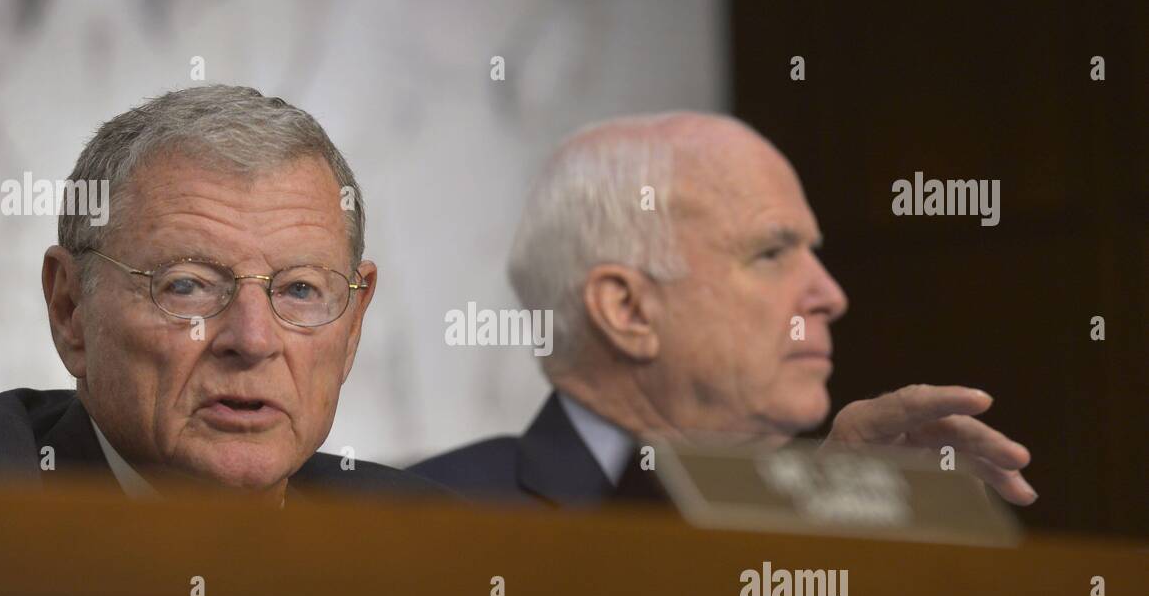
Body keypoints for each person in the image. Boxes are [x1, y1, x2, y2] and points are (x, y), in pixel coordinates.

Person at [412, 113, 1036, 508]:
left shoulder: (834, 501)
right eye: (771, 252)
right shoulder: (436, 513)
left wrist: (835, 503)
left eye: (811, 253)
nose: (831, 295)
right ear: (627, 309)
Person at [0, 85, 440, 504]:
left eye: (300, 289)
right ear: (71, 308)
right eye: (187, 286)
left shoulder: (424, 539)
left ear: (352, 328)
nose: (253, 340)